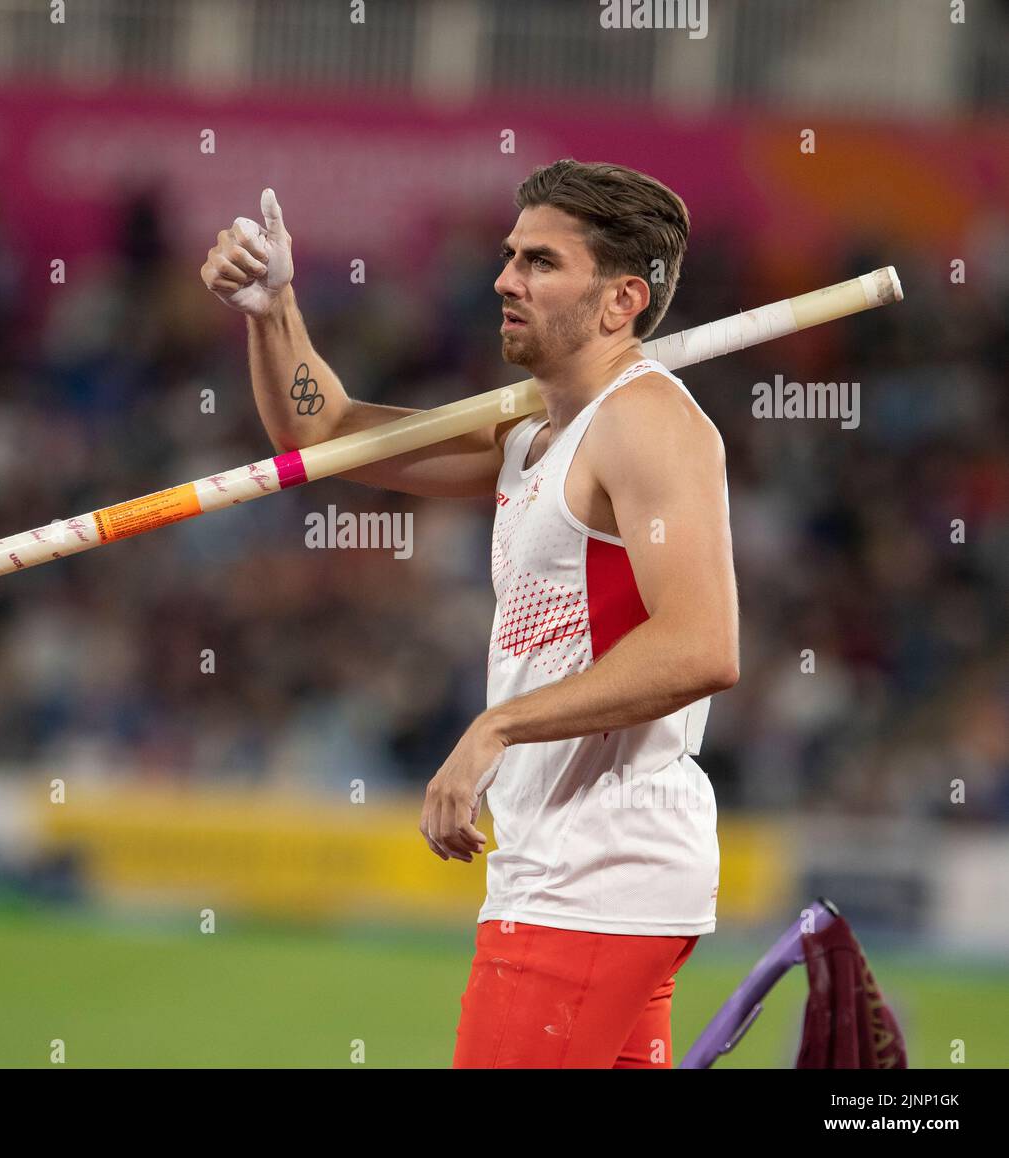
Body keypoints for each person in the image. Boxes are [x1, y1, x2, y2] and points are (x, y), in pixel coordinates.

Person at [200, 159, 738, 1068]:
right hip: (569, 870)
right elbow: (322, 435)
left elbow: (701, 646)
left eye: (539, 262)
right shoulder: (528, 431)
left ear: (621, 301)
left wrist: (497, 728)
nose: (502, 279)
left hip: (596, 876)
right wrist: (274, 310)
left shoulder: (648, 425)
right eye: (508, 255)